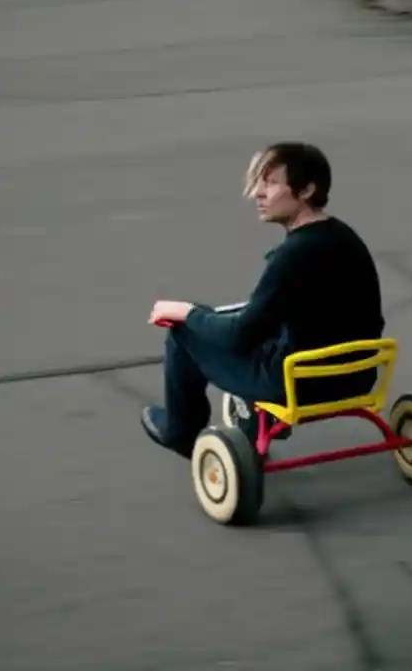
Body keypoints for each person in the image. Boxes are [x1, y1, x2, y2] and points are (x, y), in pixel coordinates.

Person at [142, 141, 385, 459]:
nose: (258, 192)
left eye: (270, 183)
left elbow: (241, 334)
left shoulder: (292, 256)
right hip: (357, 376)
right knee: (238, 321)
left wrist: (186, 313)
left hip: (298, 384)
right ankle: (256, 422)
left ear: (307, 190)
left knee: (185, 333)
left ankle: (181, 433)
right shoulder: (345, 238)